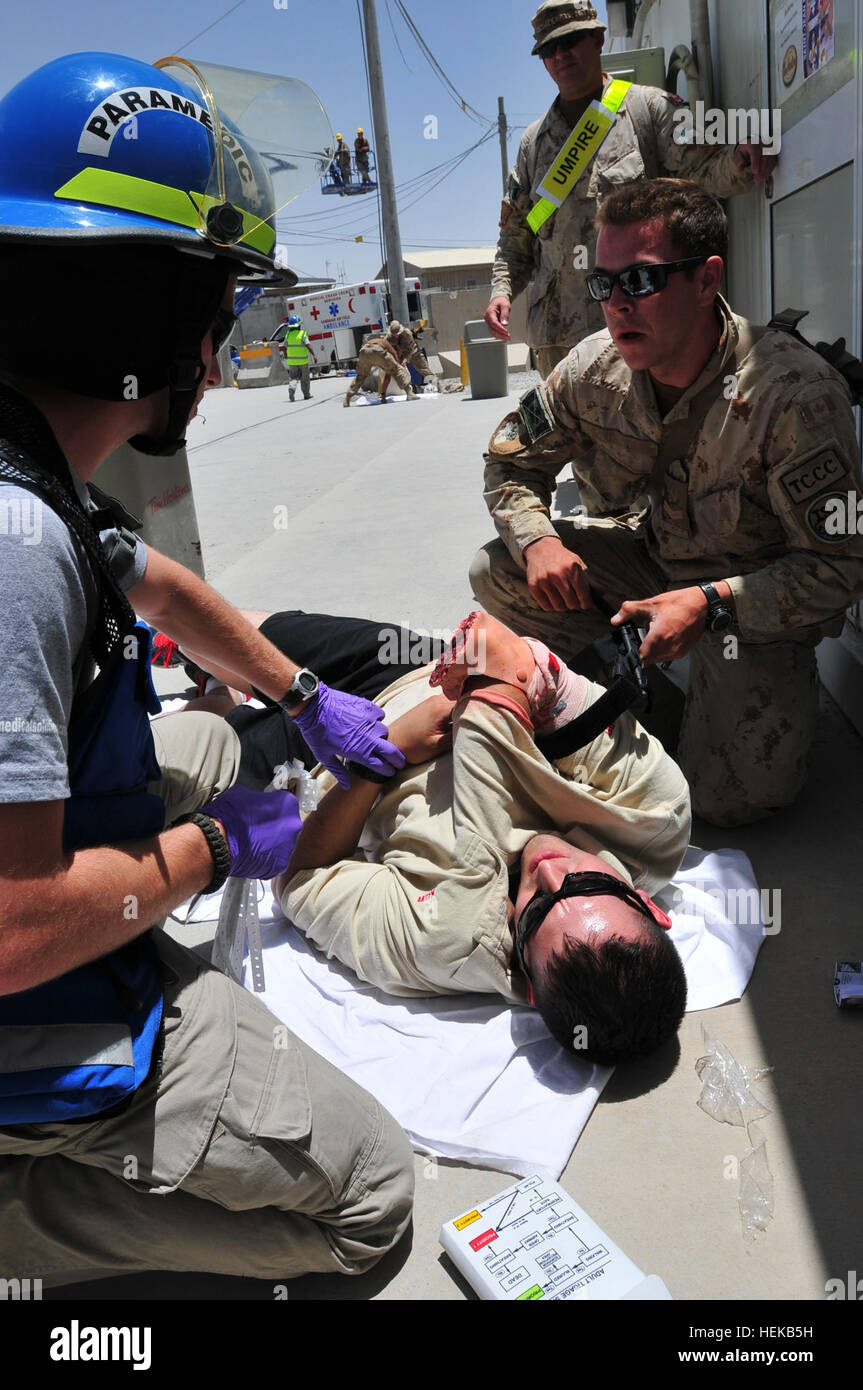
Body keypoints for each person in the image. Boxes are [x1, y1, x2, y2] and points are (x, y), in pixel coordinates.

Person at [0, 51, 413, 1289]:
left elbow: (160, 586)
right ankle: (27, 1211)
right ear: (142, 310)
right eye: (218, 309)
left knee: (219, 743)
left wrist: (300, 698)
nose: (224, 349)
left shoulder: (41, 484)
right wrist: (211, 853)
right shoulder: (18, 551)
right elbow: (12, 931)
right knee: (373, 1205)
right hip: (19, 986)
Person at [470, 178, 863, 827]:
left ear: (706, 280)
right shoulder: (591, 370)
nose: (615, 305)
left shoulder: (792, 395)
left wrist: (711, 603)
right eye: (603, 284)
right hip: (650, 566)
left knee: (727, 804)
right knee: (502, 569)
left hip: (744, 607)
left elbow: (841, 566)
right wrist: (537, 541)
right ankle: (638, 699)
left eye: (640, 282)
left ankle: (710, 702)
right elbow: (510, 461)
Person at [208, 608, 691, 1066]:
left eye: (537, 909)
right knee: (228, 632)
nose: (548, 869)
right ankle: (204, 665)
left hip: (323, 762)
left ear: (526, 982)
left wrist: (381, 753)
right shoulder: (654, 818)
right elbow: (534, 677)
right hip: (410, 677)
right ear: (648, 905)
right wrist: (526, 675)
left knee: (208, 733)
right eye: (587, 885)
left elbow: (300, 876)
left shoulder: (441, 942)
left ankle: (215, 694)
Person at [485, 0, 777, 378]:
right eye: (549, 49)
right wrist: (501, 292)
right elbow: (517, 236)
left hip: (637, 330)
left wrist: (739, 160)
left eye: (570, 41)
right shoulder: (532, 144)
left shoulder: (646, 109)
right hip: (560, 343)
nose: (561, 55)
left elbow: (703, 169)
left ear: (598, 39)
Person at [344, 325, 421, 406]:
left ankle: (347, 398)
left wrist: (383, 396)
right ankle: (409, 393)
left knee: (361, 376)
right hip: (377, 350)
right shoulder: (387, 344)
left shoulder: (378, 340)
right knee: (397, 370)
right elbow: (394, 359)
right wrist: (397, 362)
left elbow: (373, 358)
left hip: (364, 352)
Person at [281, 314, 317, 400]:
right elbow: (308, 345)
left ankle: (292, 389)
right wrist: (314, 355)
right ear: (298, 325)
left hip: (292, 362)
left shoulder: (288, 335)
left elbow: (284, 347)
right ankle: (306, 395)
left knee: (293, 377)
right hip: (303, 361)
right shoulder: (302, 334)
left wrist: (286, 356)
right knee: (305, 379)